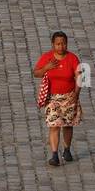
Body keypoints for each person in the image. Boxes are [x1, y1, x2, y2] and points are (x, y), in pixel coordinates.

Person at [32, 31, 83, 166]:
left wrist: (76, 94)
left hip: (69, 97)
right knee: (54, 126)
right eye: (58, 44)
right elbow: (36, 73)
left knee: (67, 125)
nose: (61, 47)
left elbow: (79, 77)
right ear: (53, 45)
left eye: (63, 44)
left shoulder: (72, 58)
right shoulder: (47, 57)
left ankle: (66, 149)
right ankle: (54, 154)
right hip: (52, 98)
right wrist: (46, 68)